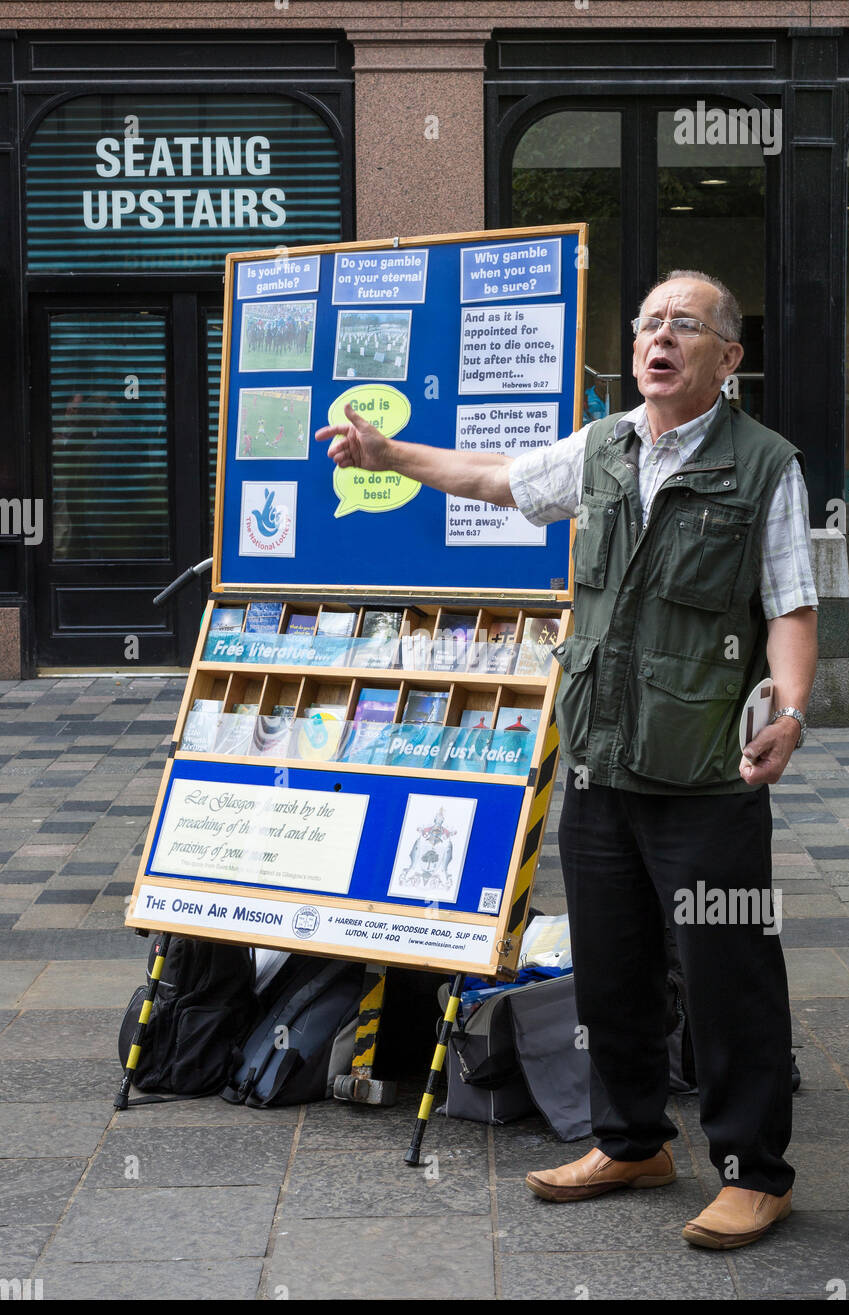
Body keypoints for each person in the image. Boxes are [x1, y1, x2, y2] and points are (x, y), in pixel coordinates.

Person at [315, 270, 818, 1251]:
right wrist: (386, 453)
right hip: (597, 761)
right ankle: (630, 1138)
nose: (658, 339)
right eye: (646, 325)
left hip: (707, 771)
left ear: (728, 356)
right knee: (612, 973)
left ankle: (753, 1170)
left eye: (684, 326)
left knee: (724, 976)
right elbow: (492, 478)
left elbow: (790, 605)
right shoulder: (600, 447)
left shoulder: (765, 466)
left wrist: (789, 710)